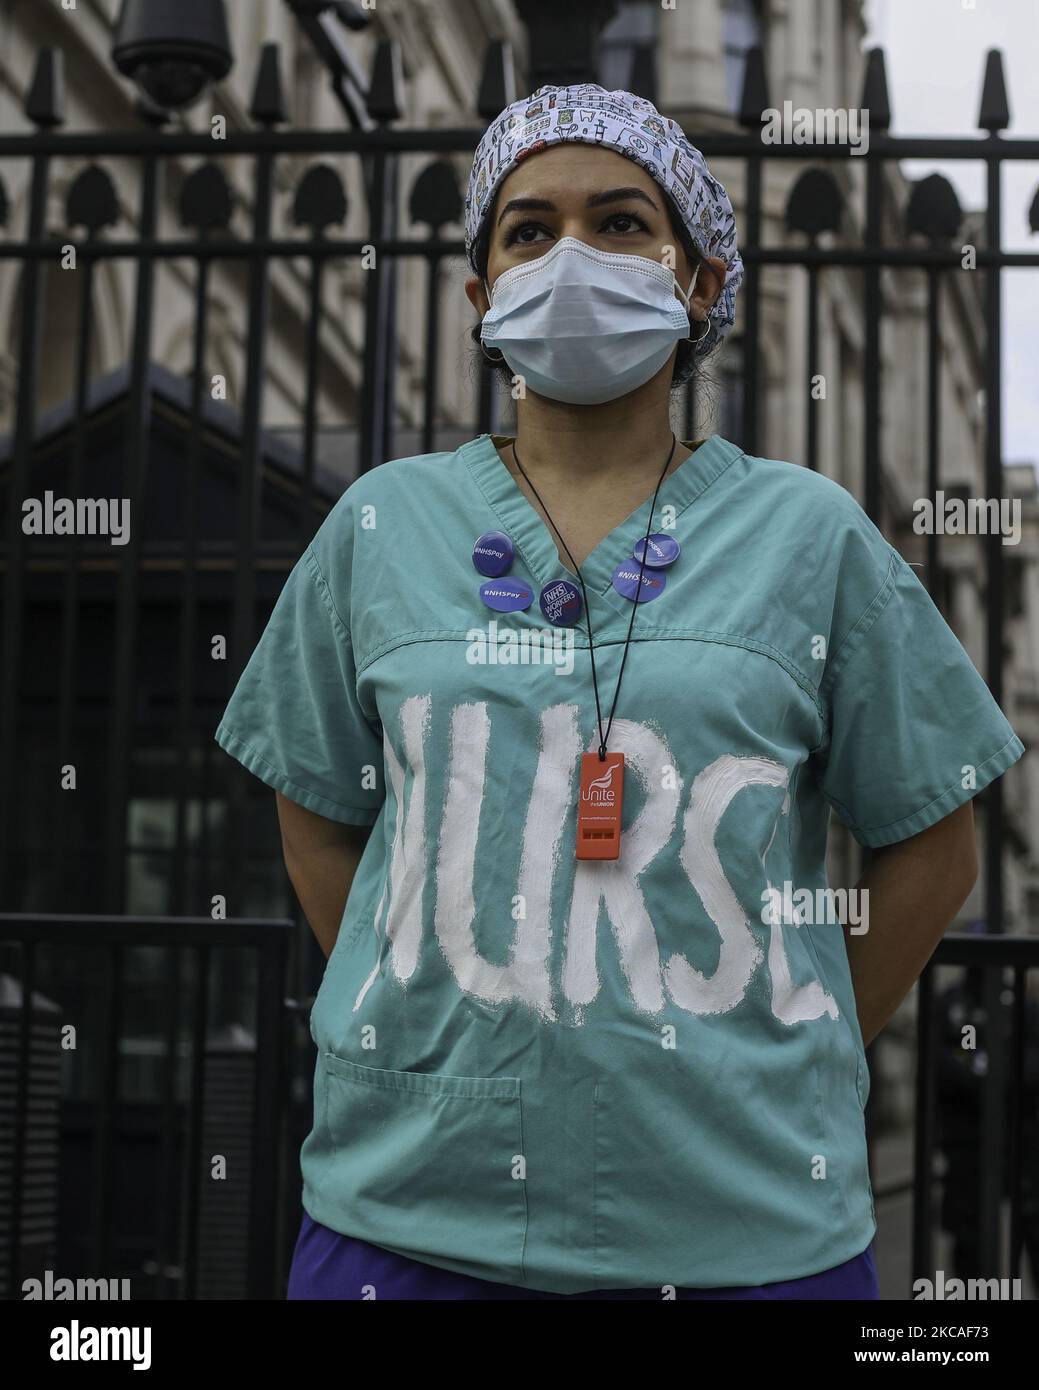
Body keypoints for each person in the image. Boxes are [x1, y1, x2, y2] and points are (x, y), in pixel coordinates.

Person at [214, 83, 1025, 1299]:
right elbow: (318, 810)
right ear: (483, 295)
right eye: (528, 231)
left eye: (623, 222)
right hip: (407, 1217)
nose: (573, 257)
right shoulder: (380, 525)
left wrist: (786, 1053)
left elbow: (936, 843)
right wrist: (447, 1000)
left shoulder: (812, 536)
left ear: (698, 282)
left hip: (746, 1235)